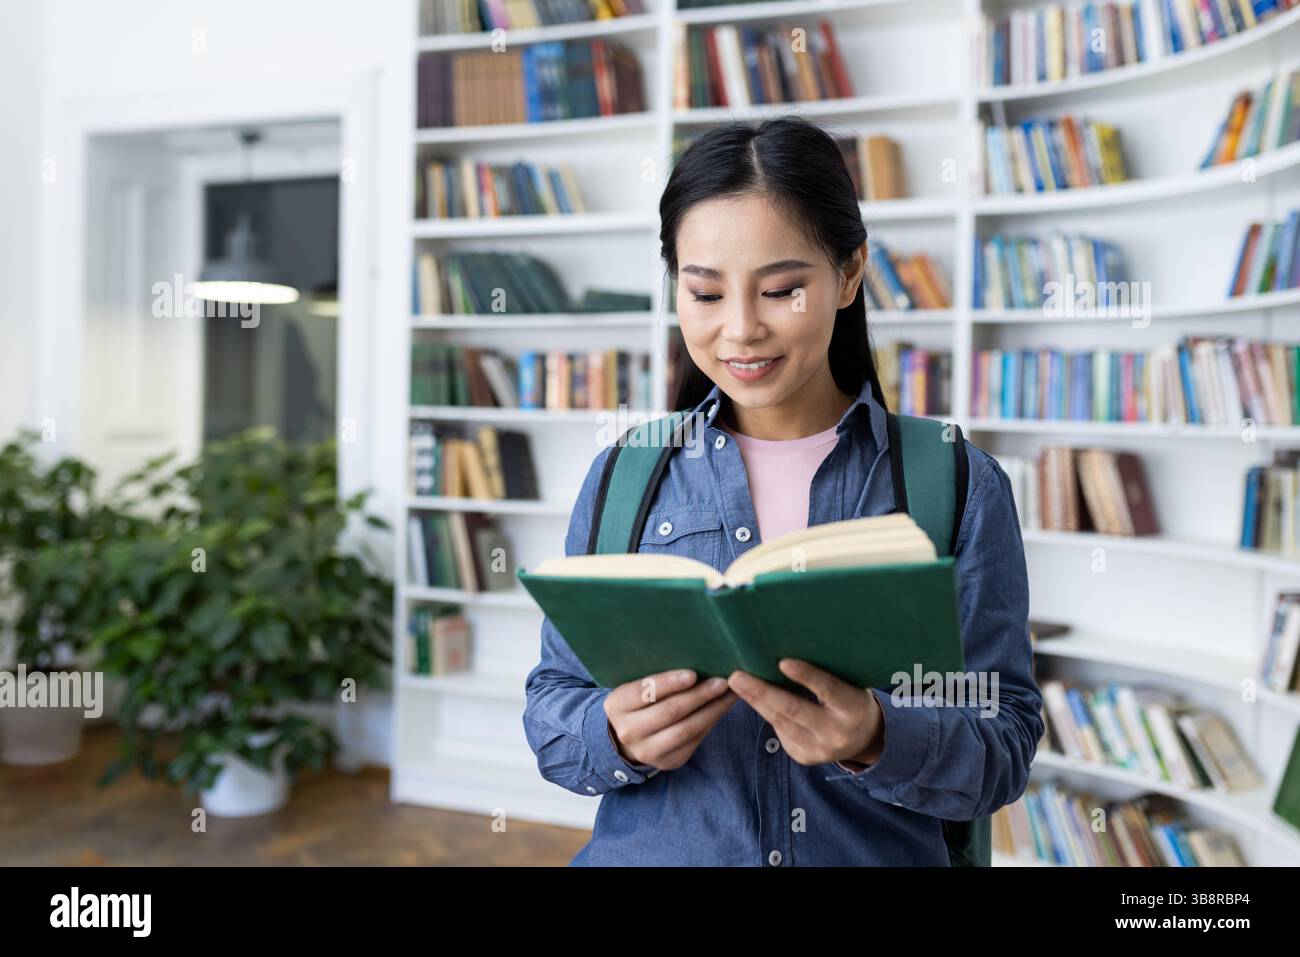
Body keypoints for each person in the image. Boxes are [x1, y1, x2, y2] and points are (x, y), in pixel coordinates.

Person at [522, 116, 1043, 866]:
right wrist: (612, 732)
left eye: (780, 290)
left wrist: (876, 737)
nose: (740, 330)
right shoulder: (625, 477)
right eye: (704, 293)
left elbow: (1006, 739)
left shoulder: (955, 481)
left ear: (850, 273)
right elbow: (551, 710)